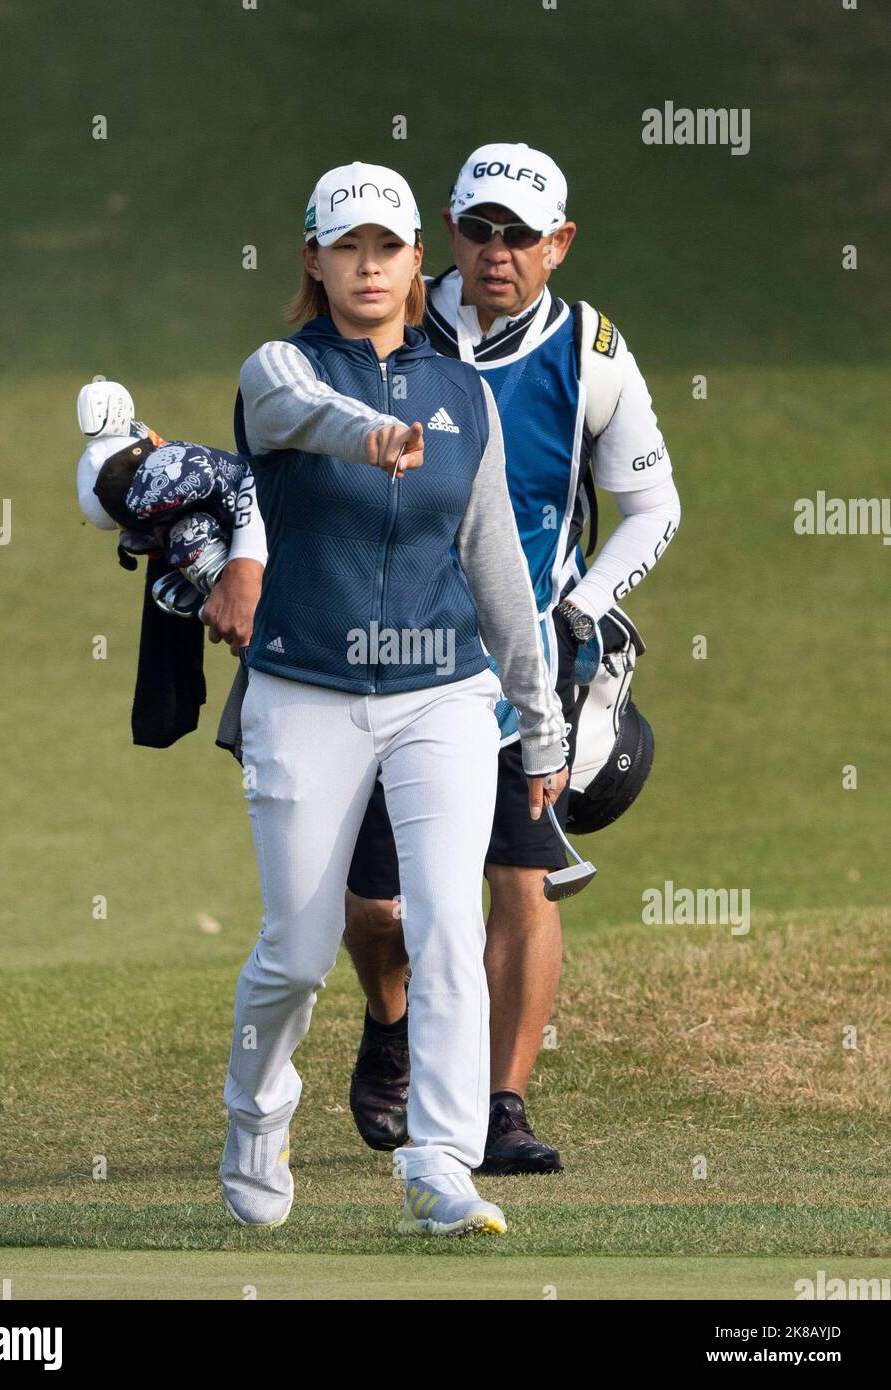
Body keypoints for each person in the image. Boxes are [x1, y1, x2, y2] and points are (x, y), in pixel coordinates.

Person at [208, 143, 681, 1176]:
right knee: (366, 911)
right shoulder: (389, 314)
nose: (496, 251)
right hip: (361, 647)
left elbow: (651, 503)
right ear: (449, 236)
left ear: (558, 244)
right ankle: (388, 1019)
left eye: (520, 234)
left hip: (506, 652)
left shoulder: (590, 349)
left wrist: (584, 609)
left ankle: (485, 1119)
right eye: (479, 229)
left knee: (512, 886)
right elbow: (270, 430)